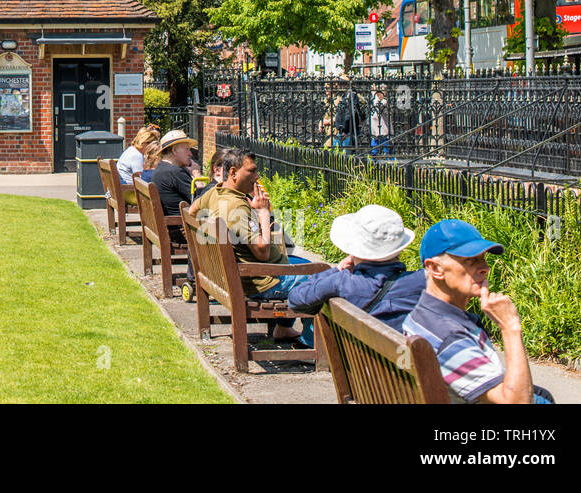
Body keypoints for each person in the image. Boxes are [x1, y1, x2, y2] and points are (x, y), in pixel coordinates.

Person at [402, 219, 553, 404]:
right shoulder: (450, 337)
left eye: (483, 258)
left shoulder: (421, 317)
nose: (485, 268)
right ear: (435, 268)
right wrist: (510, 328)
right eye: (470, 260)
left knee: (542, 396)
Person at [191, 149, 310, 342]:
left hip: (228, 274)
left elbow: (192, 210)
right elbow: (262, 253)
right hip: (259, 281)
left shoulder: (216, 192)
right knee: (318, 276)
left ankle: (283, 328)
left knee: (303, 262)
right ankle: (310, 342)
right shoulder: (236, 207)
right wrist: (263, 213)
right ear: (233, 173)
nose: (257, 176)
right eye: (252, 171)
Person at [286, 204, 424, 331]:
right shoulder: (420, 282)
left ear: (354, 248)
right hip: (404, 358)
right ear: (398, 248)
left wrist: (336, 270)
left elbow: (295, 299)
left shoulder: (340, 282)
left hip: (353, 357)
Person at [149, 129, 198, 218]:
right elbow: (202, 202)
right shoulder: (175, 172)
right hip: (182, 228)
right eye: (187, 149)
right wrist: (197, 176)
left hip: (169, 225)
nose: (190, 154)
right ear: (174, 150)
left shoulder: (160, 168)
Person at [333, 78, 366, 151]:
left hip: (348, 131)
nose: (339, 86)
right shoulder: (343, 96)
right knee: (336, 150)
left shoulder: (352, 96)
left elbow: (350, 114)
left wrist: (345, 129)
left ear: (347, 85)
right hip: (342, 130)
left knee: (345, 153)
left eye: (341, 84)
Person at [369, 86, 391, 156]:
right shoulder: (374, 100)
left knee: (386, 145)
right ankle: (373, 159)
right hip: (376, 127)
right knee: (374, 146)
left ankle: (389, 157)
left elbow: (379, 105)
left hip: (383, 127)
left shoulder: (384, 101)